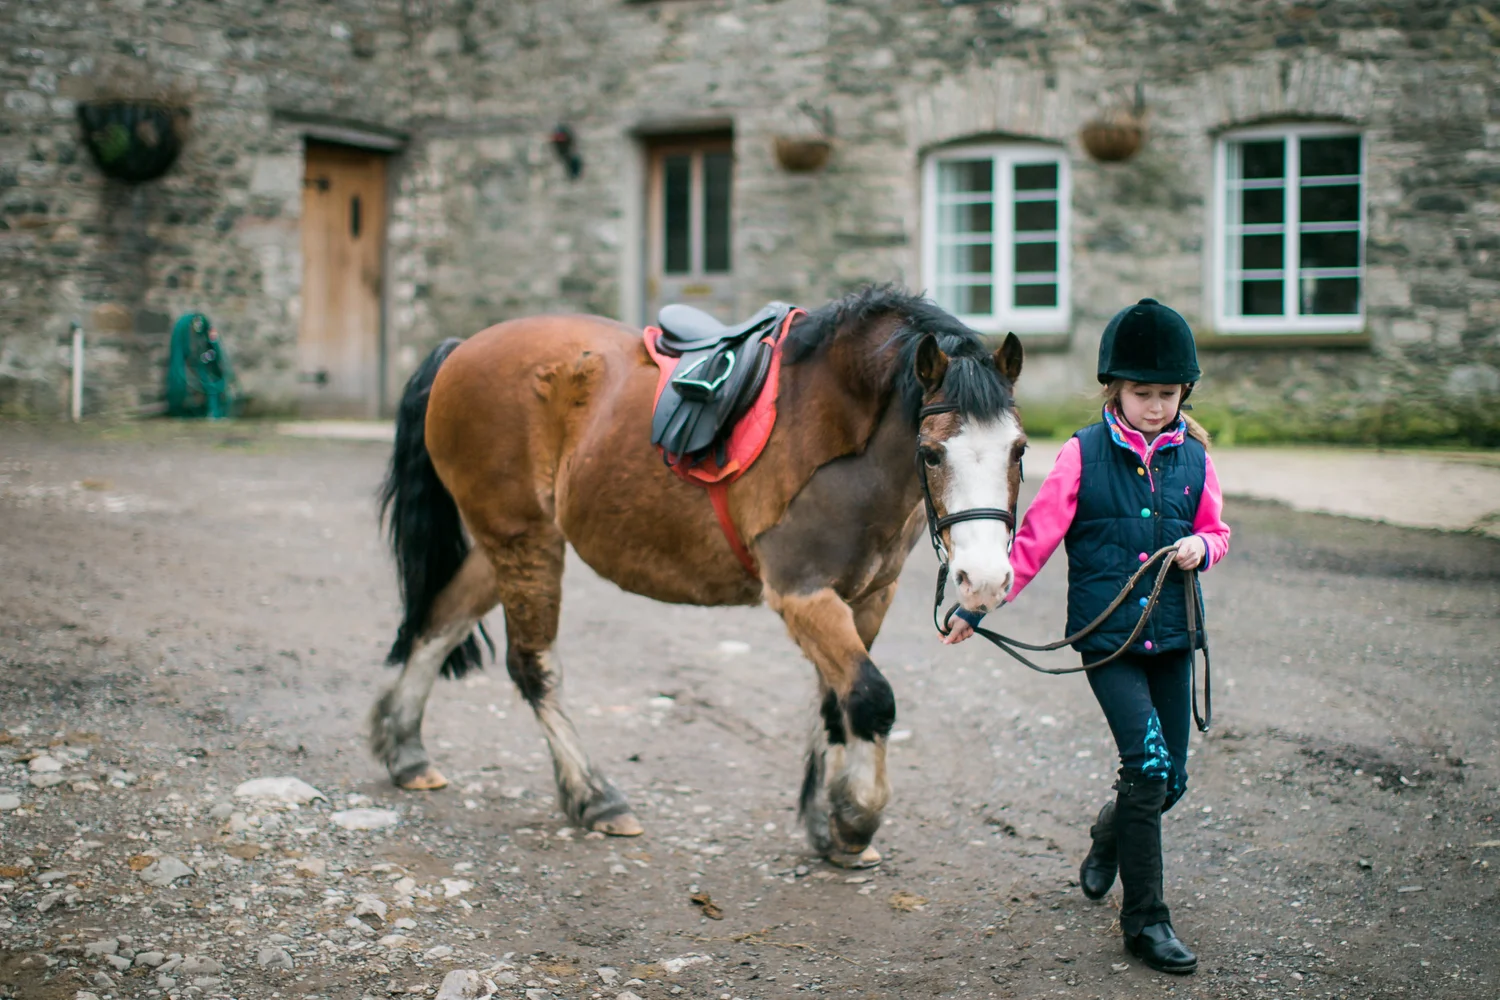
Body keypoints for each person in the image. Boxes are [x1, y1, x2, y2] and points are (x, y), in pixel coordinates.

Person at [942, 298, 1231, 975]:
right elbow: (1034, 541)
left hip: (1174, 637)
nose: (1155, 406)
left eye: (1167, 394)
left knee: (1171, 781)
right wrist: (977, 609)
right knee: (1148, 769)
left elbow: (1217, 530)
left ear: (1183, 393)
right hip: (1109, 644)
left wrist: (1202, 547)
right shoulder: (1082, 453)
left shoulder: (1195, 457)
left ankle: (1110, 836)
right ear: (1115, 390)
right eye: (1142, 393)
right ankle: (1146, 922)